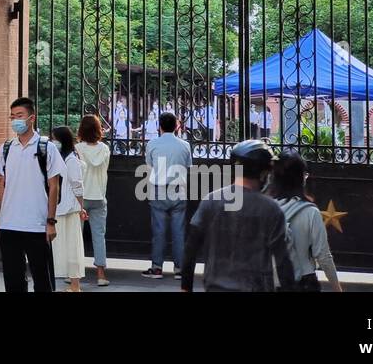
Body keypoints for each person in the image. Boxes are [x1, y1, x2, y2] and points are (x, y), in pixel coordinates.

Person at [181, 139, 296, 293]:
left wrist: (185, 287)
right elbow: (283, 262)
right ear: (264, 173)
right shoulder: (271, 210)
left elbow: (191, 248)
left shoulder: (211, 200)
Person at [0, 97, 65, 293]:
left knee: (42, 279)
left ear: (31, 118)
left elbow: (54, 186)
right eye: (12, 116)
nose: (15, 120)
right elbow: (3, 183)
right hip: (9, 225)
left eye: (20, 116)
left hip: (37, 224)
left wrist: (50, 221)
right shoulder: (7, 147)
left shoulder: (46, 147)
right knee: (13, 279)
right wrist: (2, 217)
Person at [268, 151, 342, 292]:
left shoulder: (266, 209)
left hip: (272, 282)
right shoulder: (310, 212)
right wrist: (337, 288)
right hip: (304, 281)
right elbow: (323, 256)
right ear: (300, 178)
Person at [142, 111, 192, 280]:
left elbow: (149, 167)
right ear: (177, 126)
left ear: (159, 126)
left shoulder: (153, 144)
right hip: (179, 189)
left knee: (159, 230)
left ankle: (157, 268)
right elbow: (188, 166)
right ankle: (180, 269)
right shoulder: (185, 145)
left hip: (159, 189)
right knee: (179, 231)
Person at [75, 113, 111, 286]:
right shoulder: (104, 149)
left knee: (76, 236)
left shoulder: (78, 149)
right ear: (98, 129)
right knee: (99, 236)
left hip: (80, 197)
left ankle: (74, 274)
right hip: (99, 196)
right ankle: (101, 275)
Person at [50, 125, 86, 291]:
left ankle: (75, 286)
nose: (52, 141)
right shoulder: (57, 157)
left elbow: (77, 185)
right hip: (58, 209)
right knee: (59, 248)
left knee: (72, 247)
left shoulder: (71, 159)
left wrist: (81, 206)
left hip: (69, 209)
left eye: (54, 138)